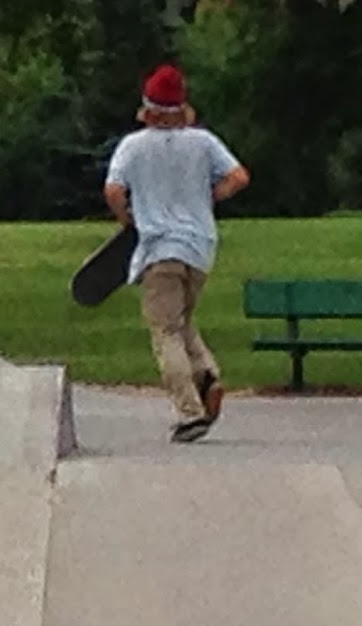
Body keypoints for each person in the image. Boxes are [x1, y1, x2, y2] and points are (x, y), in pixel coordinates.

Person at [105, 62, 250, 443]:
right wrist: (208, 197)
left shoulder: (133, 147)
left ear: (148, 109)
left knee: (165, 330)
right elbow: (238, 176)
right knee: (183, 321)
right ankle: (207, 379)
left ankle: (189, 412)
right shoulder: (203, 142)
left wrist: (127, 220)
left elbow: (114, 191)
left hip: (158, 249)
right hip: (200, 248)